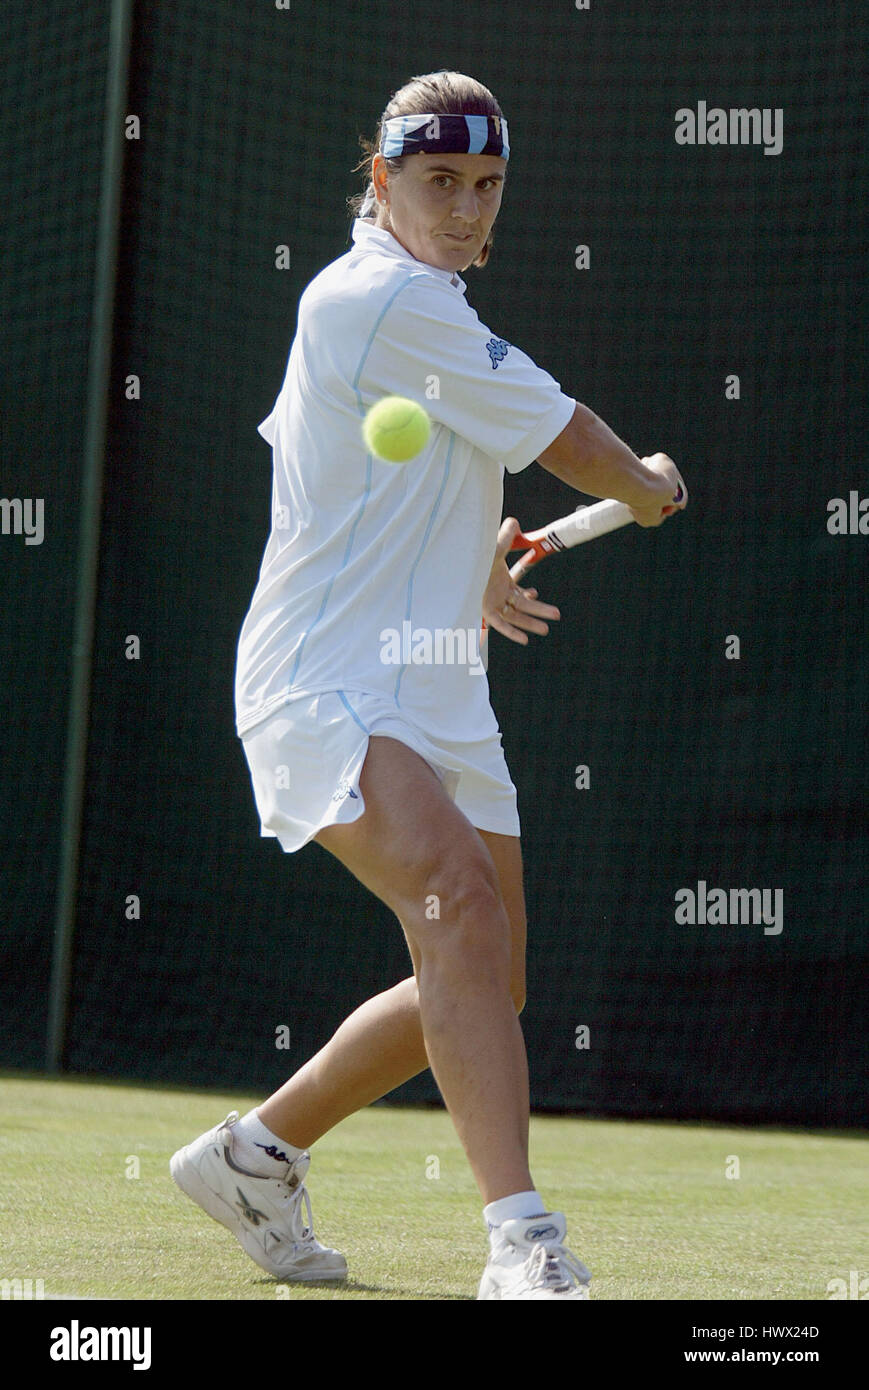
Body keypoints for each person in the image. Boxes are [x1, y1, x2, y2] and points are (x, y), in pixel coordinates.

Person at [170, 70, 687, 1301]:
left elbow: (382, 493)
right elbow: (571, 440)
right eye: (438, 182)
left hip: (434, 676)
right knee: (454, 896)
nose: (464, 209)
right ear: (381, 181)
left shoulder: (426, 311)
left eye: (487, 187)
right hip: (323, 678)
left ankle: (256, 1153)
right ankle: (521, 1238)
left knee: (485, 977)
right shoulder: (376, 296)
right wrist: (646, 491)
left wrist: (468, 579)